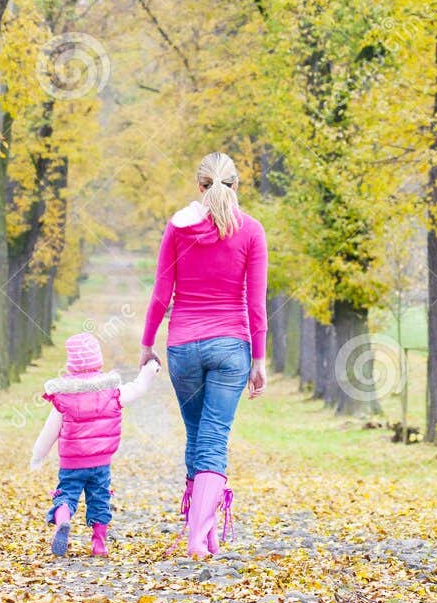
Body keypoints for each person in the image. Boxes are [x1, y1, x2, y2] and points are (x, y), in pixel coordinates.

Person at [140, 151, 267, 558]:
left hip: (183, 347)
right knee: (213, 438)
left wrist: (147, 344)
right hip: (231, 347)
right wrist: (259, 360)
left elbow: (162, 293)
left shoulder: (178, 229)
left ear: (200, 187)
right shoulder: (251, 231)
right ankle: (199, 537)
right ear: (236, 185)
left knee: (197, 435)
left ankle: (204, 532)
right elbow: (256, 306)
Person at [30, 331, 159, 558]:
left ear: (71, 365)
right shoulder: (112, 392)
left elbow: (49, 431)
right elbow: (138, 388)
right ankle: (99, 545)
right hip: (100, 463)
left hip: (71, 463)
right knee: (100, 499)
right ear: (97, 360)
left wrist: (37, 456)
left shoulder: (65, 397)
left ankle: (63, 520)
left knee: (67, 495)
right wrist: (149, 369)